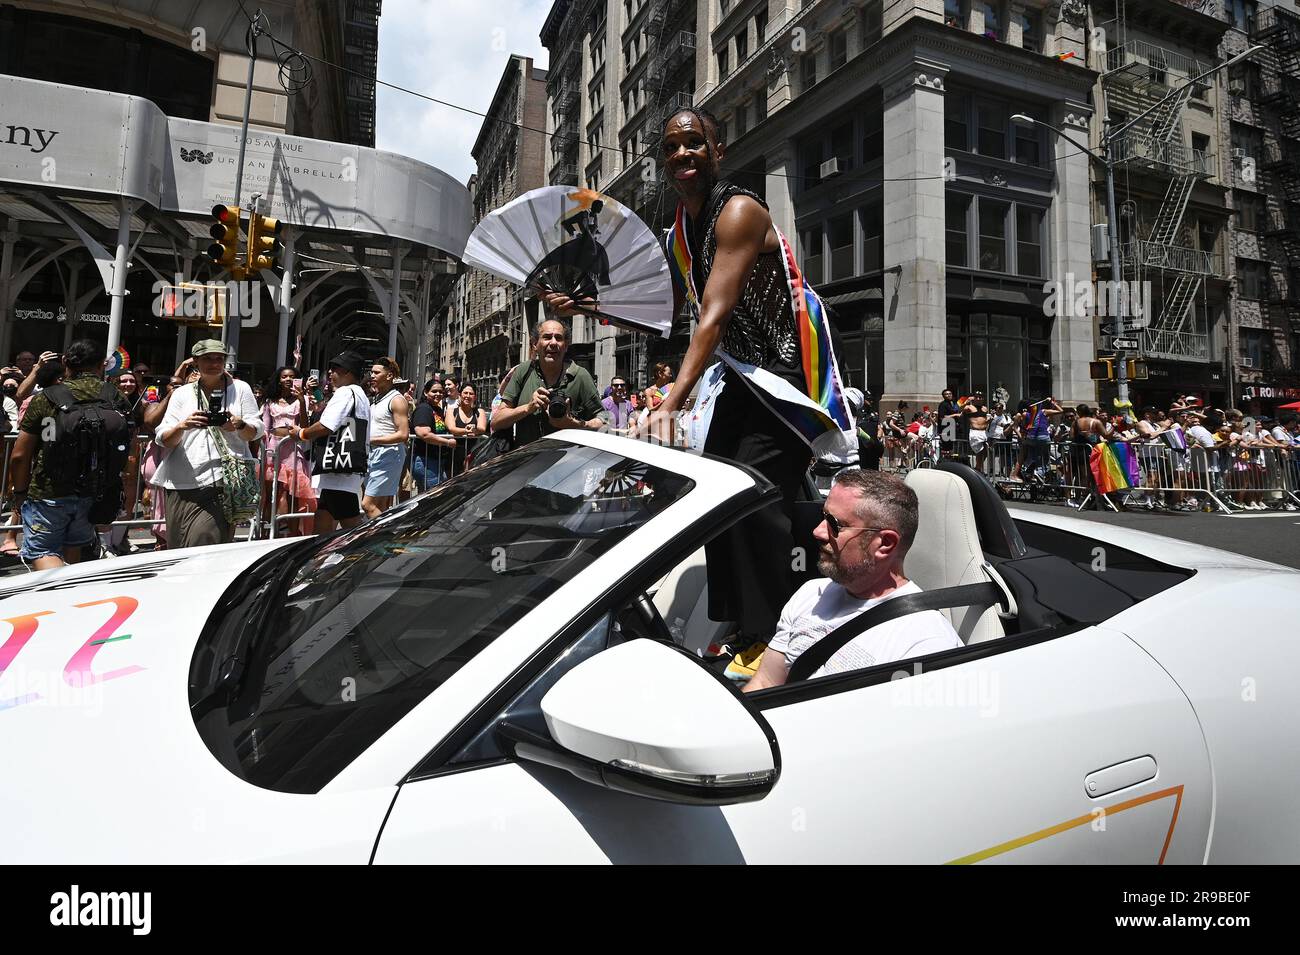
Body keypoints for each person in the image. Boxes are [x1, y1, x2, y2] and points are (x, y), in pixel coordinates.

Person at [549, 107, 853, 650]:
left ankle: (784, 634)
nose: (681, 154)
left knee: (757, 496)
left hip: (783, 379)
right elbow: (666, 312)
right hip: (740, 375)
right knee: (721, 493)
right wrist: (586, 307)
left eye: (693, 143)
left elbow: (711, 318)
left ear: (717, 152)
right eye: (670, 147)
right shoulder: (682, 233)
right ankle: (744, 624)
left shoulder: (738, 212)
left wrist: (671, 402)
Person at [743, 469, 962, 691]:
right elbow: (765, 682)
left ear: (884, 543)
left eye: (835, 524)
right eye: (823, 516)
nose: (818, 532)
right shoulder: (810, 594)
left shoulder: (924, 641)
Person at [8, 340, 134, 570]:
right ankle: (69, 597)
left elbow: (19, 455)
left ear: (65, 362)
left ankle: (56, 597)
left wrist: (20, 492)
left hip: (48, 491)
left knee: (44, 551)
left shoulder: (47, 398)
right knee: (74, 546)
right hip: (93, 491)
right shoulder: (113, 395)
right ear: (102, 365)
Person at [154, 340, 263, 548]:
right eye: (207, 358)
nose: (214, 363)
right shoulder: (182, 393)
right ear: (195, 361)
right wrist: (182, 426)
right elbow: (163, 438)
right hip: (181, 481)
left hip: (222, 481)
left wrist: (239, 424)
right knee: (177, 547)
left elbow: (255, 431)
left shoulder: (240, 389)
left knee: (205, 542)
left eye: (219, 358)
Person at [491, 319, 605, 445]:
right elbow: (496, 421)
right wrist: (528, 408)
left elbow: (605, 421)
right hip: (527, 461)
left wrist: (573, 424)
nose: (553, 342)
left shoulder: (580, 375)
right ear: (535, 344)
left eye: (559, 338)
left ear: (566, 346)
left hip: (568, 462)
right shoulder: (523, 371)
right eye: (547, 337)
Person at [295, 351, 370, 533]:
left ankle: (364, 558)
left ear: (348, 372)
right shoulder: (359, 394)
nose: (330, 373)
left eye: (335, 368)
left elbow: (327, 425)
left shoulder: (345, 392)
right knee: (324, 514)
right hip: (340, 469)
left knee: (351, 526)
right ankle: (317, 556)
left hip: (339, 470)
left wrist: (301, 433)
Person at [261, 365, 315, 536]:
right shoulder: (270, 401)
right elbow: (265, 427)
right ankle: (269, 531)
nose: (288, 379)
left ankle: (290, 532)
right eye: (284, 377)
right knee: (272, 493)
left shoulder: (303, 399)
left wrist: (301, 401)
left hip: (293, 449)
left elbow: (305, 427)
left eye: (292, 376)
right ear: (279, 380)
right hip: (274, 449)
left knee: (292, 493)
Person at [362, 357, 410, 518]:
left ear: (389, 376)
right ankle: (380, 539)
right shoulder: (376, 398)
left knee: (367, 504)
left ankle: (387, 538)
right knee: (379, 506)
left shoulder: (397, 400)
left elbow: (403, 434)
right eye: (371, 372)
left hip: (389, 456)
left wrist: (372, 440)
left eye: (376, 372)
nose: (372, 376)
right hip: (373, 455)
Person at [411, 378, 457, 491]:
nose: (438, 394)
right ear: (426, 392)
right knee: (433, 497)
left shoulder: (437, 410)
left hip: (436, 461)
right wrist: (447, 442)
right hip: (426, 461)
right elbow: (424, 434)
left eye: (441, 392)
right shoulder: (424, 409)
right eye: (434, 391)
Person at [447, 382, 488, 471]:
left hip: (473, 456)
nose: (468, 396)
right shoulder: (451, 411)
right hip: (454, 456)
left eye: (471, 394)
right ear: (460, 394)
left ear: (475, 397)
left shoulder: (479, 412)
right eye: (465, 393)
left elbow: (482, 428)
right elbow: (452, 428)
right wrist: (468, 430)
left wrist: (475, 430)